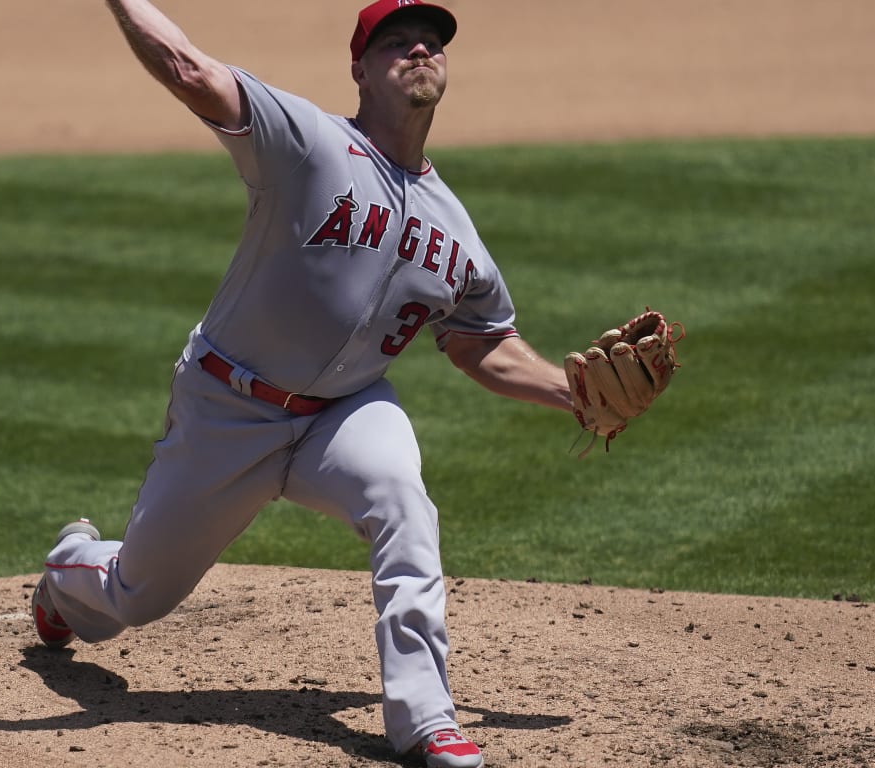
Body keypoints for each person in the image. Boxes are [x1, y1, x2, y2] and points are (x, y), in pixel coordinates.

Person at [32, 2, 577, 766]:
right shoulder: (308, 142)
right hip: (229, 407)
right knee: (136, 595)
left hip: (345, 414)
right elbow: (189, 69)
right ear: (360, 69)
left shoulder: (455, 227)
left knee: (401, 500)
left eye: (431, 41)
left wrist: (573, 393)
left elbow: (483, 344)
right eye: (396, 41)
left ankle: (425, 720)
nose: (420, 49)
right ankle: (68, 570)